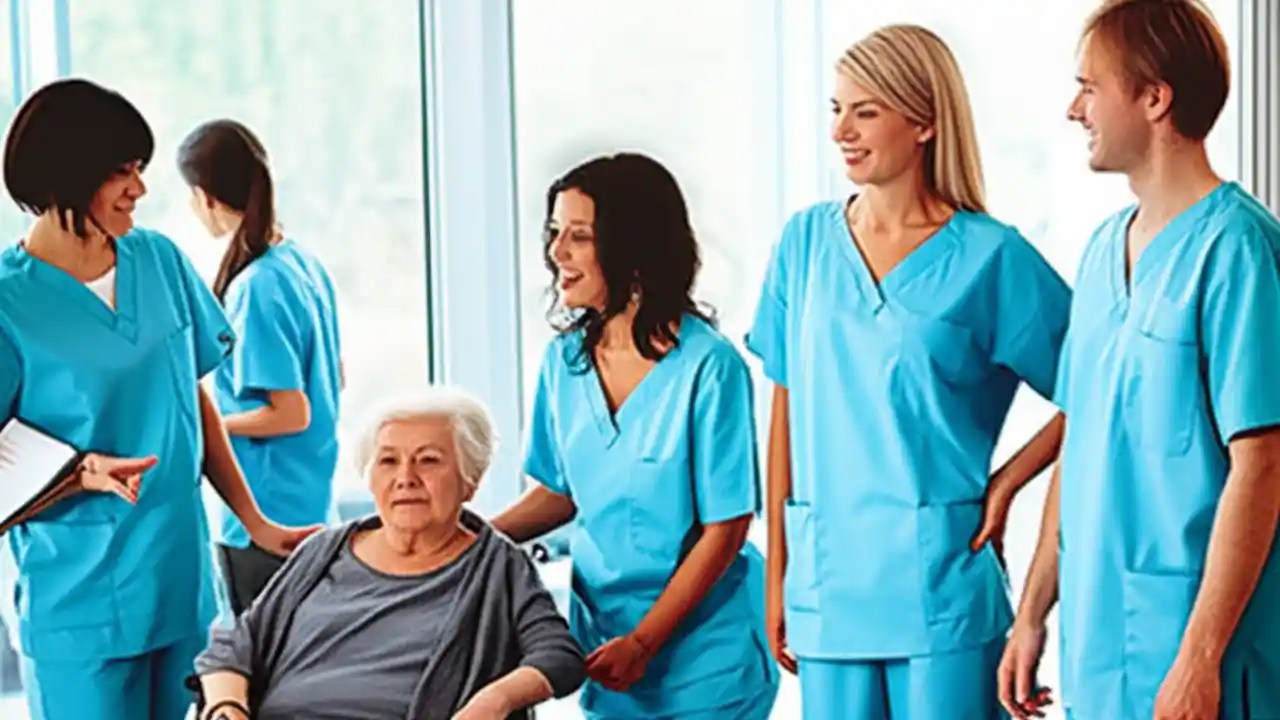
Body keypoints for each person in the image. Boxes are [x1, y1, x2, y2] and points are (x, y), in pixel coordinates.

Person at [746, 24, 1071, 720]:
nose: (842, 130)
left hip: (940, 584)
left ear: (923, 121)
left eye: (866, 111)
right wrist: (776, 571)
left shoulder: (991, 257)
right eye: (836, 109)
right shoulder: (804, 244)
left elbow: (1104, 387)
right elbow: (785, 416)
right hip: (828, 584)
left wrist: (1010, 481)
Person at [1001, 2, 1280, 719]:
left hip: (1192, 650)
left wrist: (1200, 658)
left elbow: (1262, 464)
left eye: (1090, 86)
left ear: (1155, 97)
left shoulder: (1238, 250)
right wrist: (1033, 612)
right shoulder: (1101, 252)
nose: (1074, 108)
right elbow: (1082, 441)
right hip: (1098, 651)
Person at [0, 79, 312, 720]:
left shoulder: (159, 260)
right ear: (65, 176)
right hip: (77, 603)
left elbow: (187, 395)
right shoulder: (9, 303)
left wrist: (254, 522)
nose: (139, 189)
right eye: (121, 172)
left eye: (139, 169)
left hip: (179, 582)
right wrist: (79, 474)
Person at [491, 152, 779, 719]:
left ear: (632, 247)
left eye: (579, 236)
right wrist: (471, 538)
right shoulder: (565, 361)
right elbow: (563, 492)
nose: (556, 253)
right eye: (554, 233)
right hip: (606, 648)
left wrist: (645, 642)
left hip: (704, 659)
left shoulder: (710, 368)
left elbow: (726, 528)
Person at [194, 388, 586, 720]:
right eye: (388, 461)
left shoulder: (496, 566)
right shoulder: (323, 551)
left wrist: (495, 700)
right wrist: (227, 707)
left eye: (428, 460)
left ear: (470, 481)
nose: (405, 478)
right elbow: (233, 645)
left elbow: (559, 656)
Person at [177, 119, 344, 615]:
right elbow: (334, 379)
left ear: (206, 197)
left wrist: (206, 426)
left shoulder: (257, 286)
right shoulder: (301, 264)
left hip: (266, 517)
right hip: (308, 502)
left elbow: (292, 412)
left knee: (266, 672)